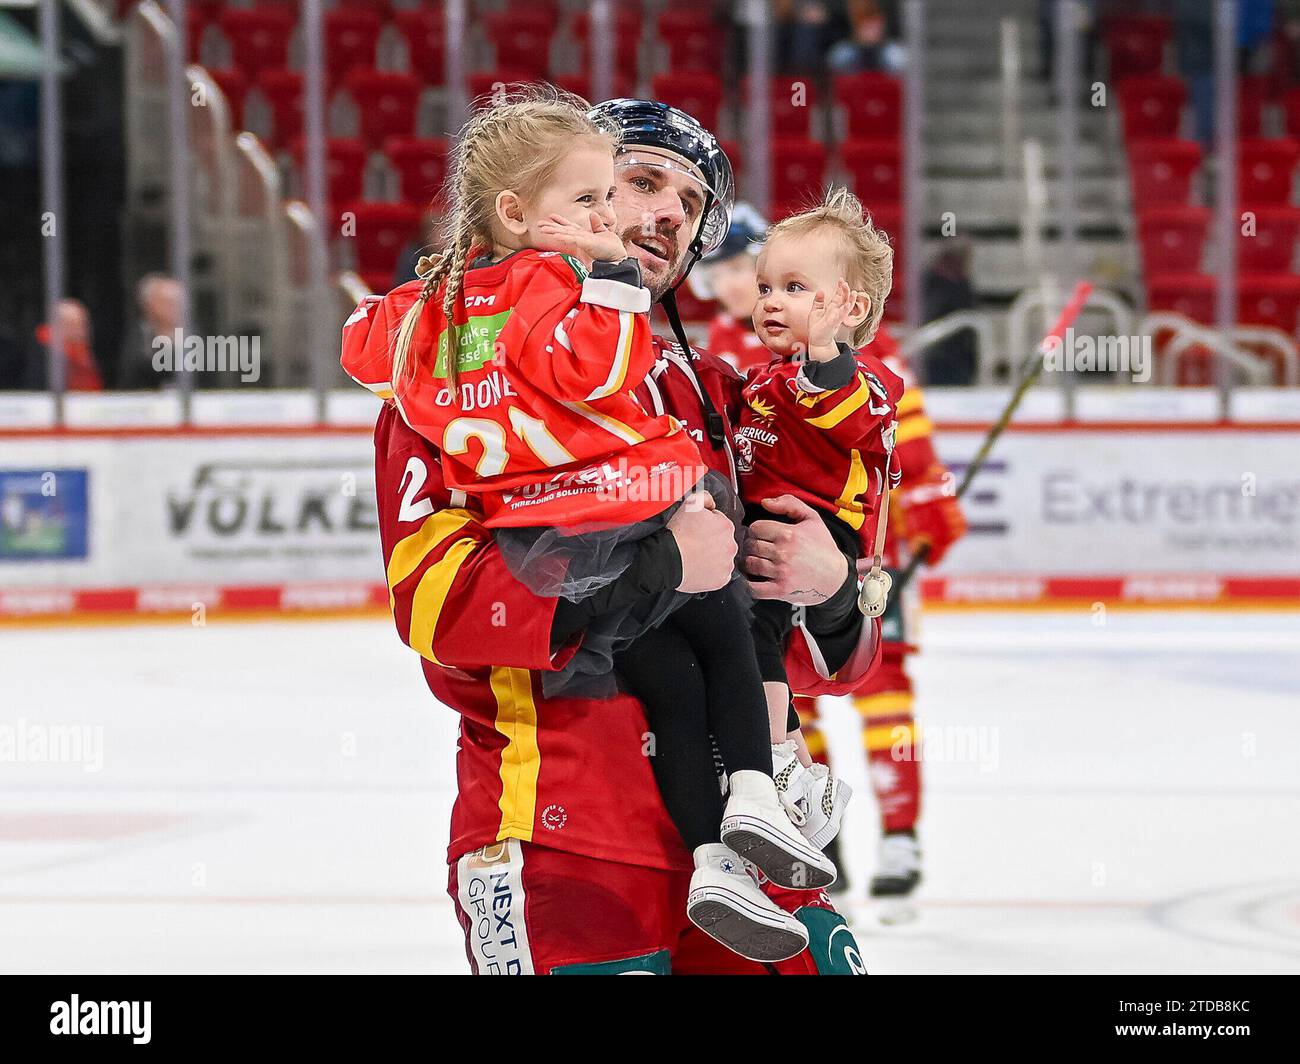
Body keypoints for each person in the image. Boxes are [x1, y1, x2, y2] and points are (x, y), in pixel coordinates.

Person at [343, 98, 880, 975]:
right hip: (565, 839)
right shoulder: (451, 374)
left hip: (748, 862)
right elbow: (442, 612)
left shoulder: (726, 392)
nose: (669, 212)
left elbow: (828, 660)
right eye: (641, 182)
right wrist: (659, 567)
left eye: (692, 203)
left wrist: (834, 591)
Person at [793, 322, 967, 904]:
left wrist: (930, 497)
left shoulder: (874, 348)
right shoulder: (731, 342)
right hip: (788, 548)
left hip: (872, 552)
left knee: (884, 689)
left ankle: (900, 836)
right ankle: (820, 839)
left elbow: (913, 455)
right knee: (791, 695)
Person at [691, 203, 772, 374]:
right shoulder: (719, 334)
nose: (727, 286)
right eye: (716, 276)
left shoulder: (801, 328)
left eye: (736, 269)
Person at [118, 273, 183, 389]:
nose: (175, 307)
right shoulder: (139, 338)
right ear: (149, 304)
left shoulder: (193, 335)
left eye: (178, 302)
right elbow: (133, 373)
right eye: (168, 302)